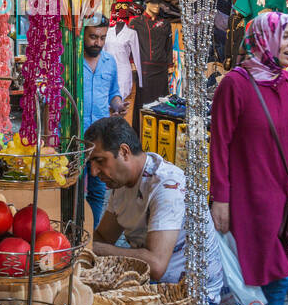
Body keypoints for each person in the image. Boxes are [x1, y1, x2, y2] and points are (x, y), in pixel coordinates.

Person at [210, 12, 288, 305]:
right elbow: (220, 144)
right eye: (285, 36)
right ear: (266, 39)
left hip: (284, 201)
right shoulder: (236, 84)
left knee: (276, 278)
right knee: (272, 279)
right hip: (249, 201)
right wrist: (221, 198)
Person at [85, 116, 223, 294]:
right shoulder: (121, 182)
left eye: (100, 161)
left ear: (124, 152)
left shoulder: (167, 186)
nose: (94, 172)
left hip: (192, 295)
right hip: (153, 283)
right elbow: (104, 236)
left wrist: (94, 248)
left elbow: (156, 265)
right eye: (91, 164)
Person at [79, 14, 125, 227]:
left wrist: (118, 105)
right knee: (74, 190)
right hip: (75, 136)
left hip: (100, 138)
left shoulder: (109, 62)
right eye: (93, 37)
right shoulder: (71, 60)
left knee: (97, 191)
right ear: (82, 34)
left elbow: (113, 94)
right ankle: (73, 232)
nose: (97, 42)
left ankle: (92, 235)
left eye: (102, 38)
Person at [131, 0, 173, 118]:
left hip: (161, 70)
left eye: (158, 3)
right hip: (145, 69)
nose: (156, 6)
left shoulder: (165, 24)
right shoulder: (136, 23)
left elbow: (168, 46)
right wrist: (132, 63)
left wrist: (170, 65)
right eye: (153, 3)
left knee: (161, 103)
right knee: (143, 103)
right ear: (146, 3)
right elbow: (130, 46)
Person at [104, 0, 143, 124]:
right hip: (107, 71)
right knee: (108, 104)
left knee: (122, 104)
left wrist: (141, 81)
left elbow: (137, 56)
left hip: (123, 71)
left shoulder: (132, 33)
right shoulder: (107, 32)